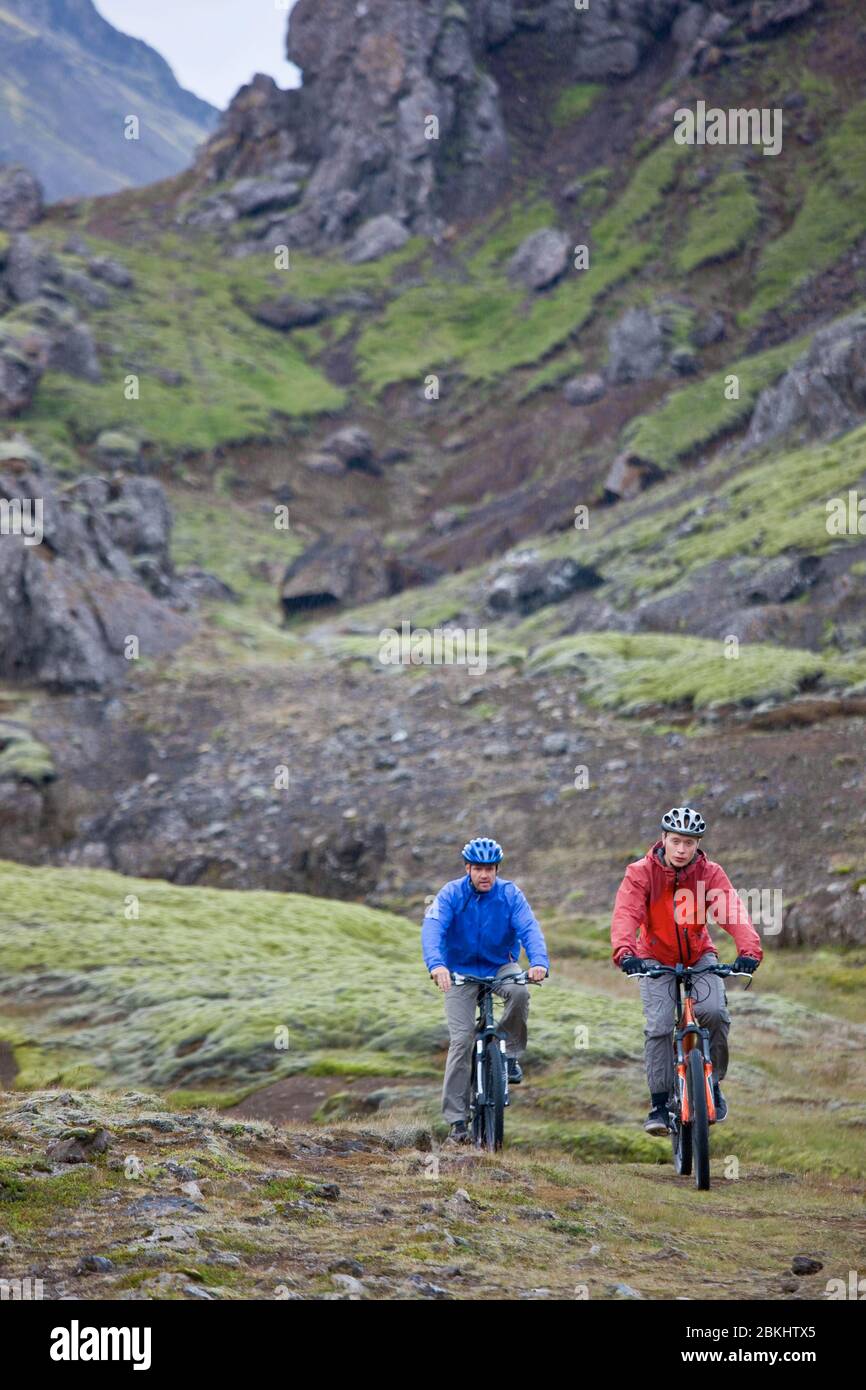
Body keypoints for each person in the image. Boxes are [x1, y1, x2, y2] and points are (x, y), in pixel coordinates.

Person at [610, 806, 762, 1135]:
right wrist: (626, 951)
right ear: (663, 839)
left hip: (699, 955)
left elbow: (732, 911)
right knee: (660, 1026)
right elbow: (627, 913)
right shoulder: (640, 872)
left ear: (698, 845)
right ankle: (660, 1103)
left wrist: (748, 950)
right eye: (676, 841)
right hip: (653, 958)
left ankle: (712, 1081)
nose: (682, 849)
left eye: (689, 843)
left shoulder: (709, 873)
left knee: (715, 1013)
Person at [422, 836, 550, 1144]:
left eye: (490, 868)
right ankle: (456, 1122)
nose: (484, 875)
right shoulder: (451, 894)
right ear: (467, 868)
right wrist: (437, 966)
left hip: (499, 967)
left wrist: (539, 962)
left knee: (519, 993)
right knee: (461, 1040)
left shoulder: (510, 894)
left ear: (497, 869)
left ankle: (508, 1055)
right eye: (478, 868)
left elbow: (529, 928)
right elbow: (433, 928)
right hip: (460, 972)